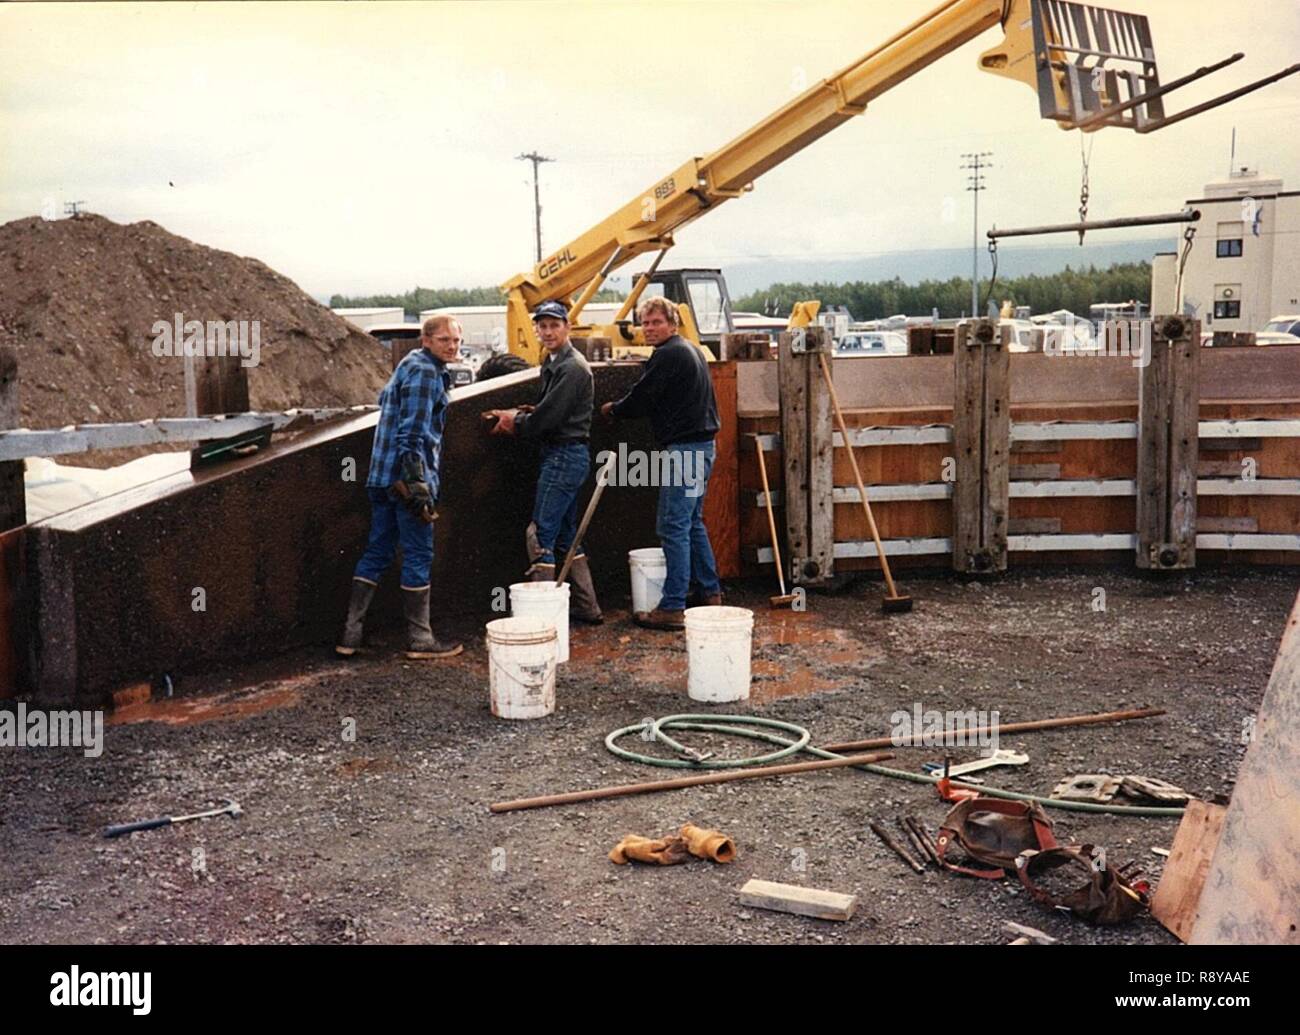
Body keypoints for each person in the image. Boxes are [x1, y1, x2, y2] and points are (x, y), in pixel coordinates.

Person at [336, 315, 463, 659]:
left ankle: (350, 636)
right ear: (426, 340)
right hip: (405, 482)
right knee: (419, 553)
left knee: (377, 551)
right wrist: (417, 483)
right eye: (444, 340)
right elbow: (412, 432)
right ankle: (421, 639)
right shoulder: (425, 372)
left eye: (455, 340)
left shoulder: (409, 364)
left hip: (381, 477)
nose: (452, 346)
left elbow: (385, 404)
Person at [601, 296, 721, 630]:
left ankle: (672, 606)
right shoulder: (691, 350)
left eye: (656, 322)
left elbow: (642, 396)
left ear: (673, 324)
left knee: (673, 526)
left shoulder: (668, 354)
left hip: (685, 451)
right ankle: (709, 593)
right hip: (702, 447)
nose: (650, 329)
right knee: (692, 522)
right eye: (645, 323)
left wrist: (613, 409)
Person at [483, 301, 602, 623]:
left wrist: (514, 421)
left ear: (568, 327)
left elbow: (548, 420)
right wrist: (526, 413)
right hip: (566, 456)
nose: (548, 332)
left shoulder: (572, 367)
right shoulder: (557, 363)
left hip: (563, 457)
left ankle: (540, 618)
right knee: (566, 536)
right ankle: (587, 607)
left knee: (540, 535)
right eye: (543, 326)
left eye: (554, 325)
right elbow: (549, 410)